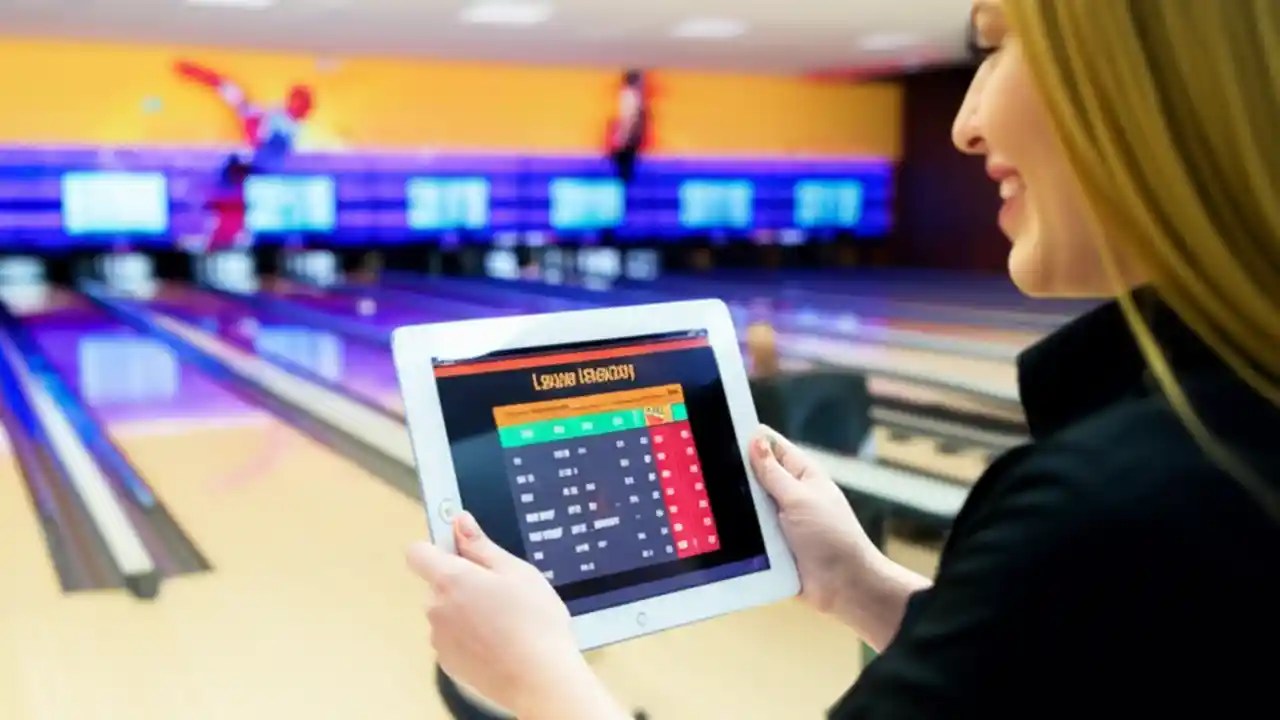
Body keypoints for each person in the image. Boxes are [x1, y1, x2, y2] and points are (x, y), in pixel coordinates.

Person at [406, 1, 1280, 717]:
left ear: (1170, 92)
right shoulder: (1229, 430)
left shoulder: (1126, 502)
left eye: (1000, 44)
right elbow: (1065, 677)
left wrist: (540, 682)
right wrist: (860, 583)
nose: (967, 123)